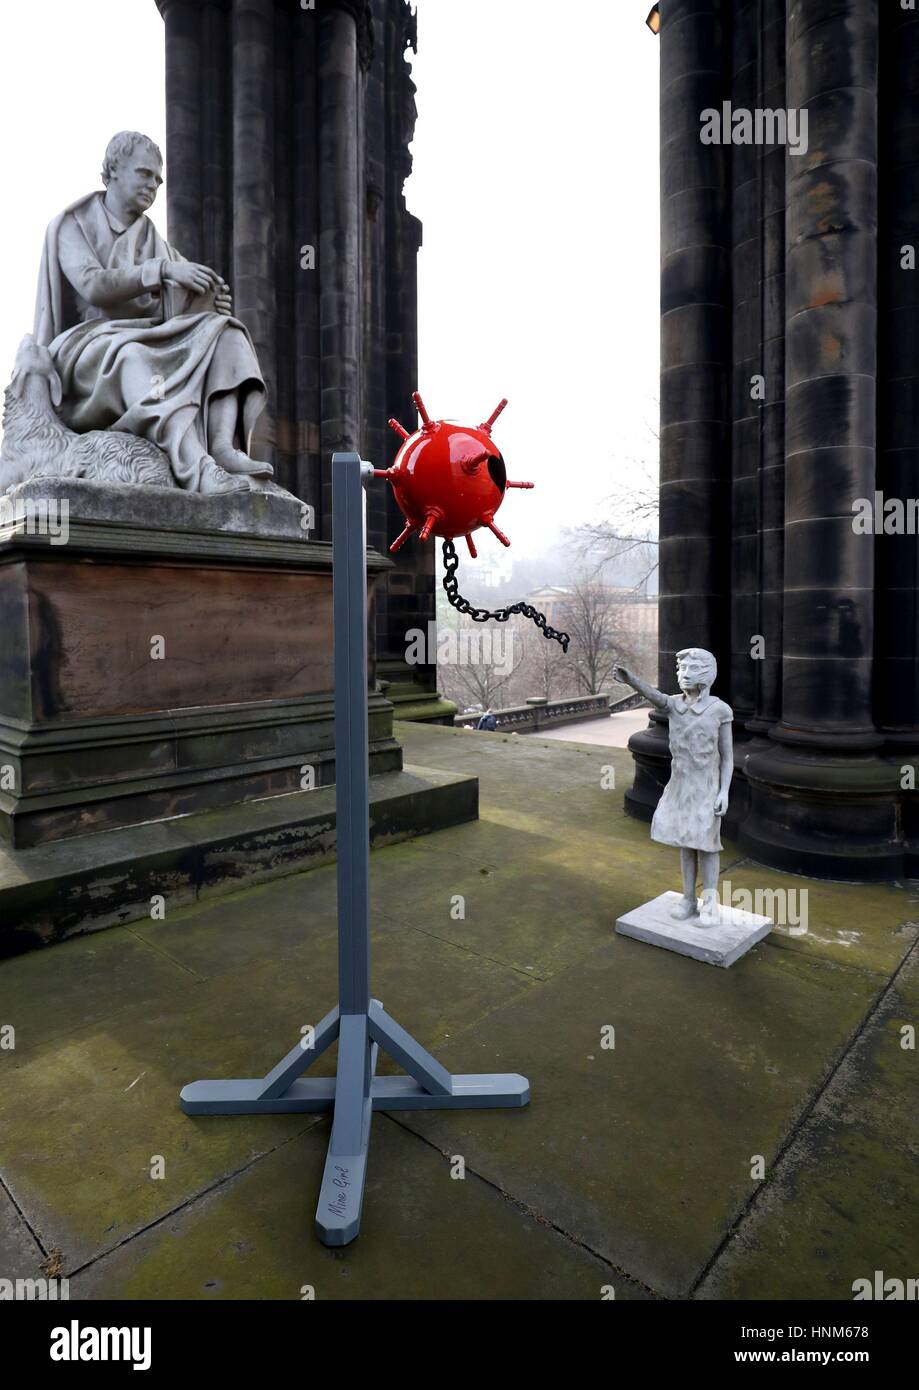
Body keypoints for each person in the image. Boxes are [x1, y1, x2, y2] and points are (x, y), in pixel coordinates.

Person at [33, 131, 272, 495]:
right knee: (132, 358)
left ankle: (224, 447)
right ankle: (196, 466)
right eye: (145, 174)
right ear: (112, 170)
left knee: (227, 331)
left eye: (158, 180)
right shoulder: (72, 224)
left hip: (143, 336)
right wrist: (159, 271)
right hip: (84, 351)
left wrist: (210, 302)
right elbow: (94, 286)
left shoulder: (152, 237)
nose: (154, 185)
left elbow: (179, 307)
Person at [613, 649, 733, 926]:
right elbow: (654, 695)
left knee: (707, 844)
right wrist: (632, 680)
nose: (682, 675)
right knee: (685, 842)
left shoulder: (719, 710)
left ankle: (711, 903)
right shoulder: (674, 705)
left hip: (706, 786)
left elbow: (727, 757)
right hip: (680, 785)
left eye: (689, 670)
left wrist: (724, 791)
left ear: (705, 675)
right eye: (680, 670)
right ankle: (688, 898)